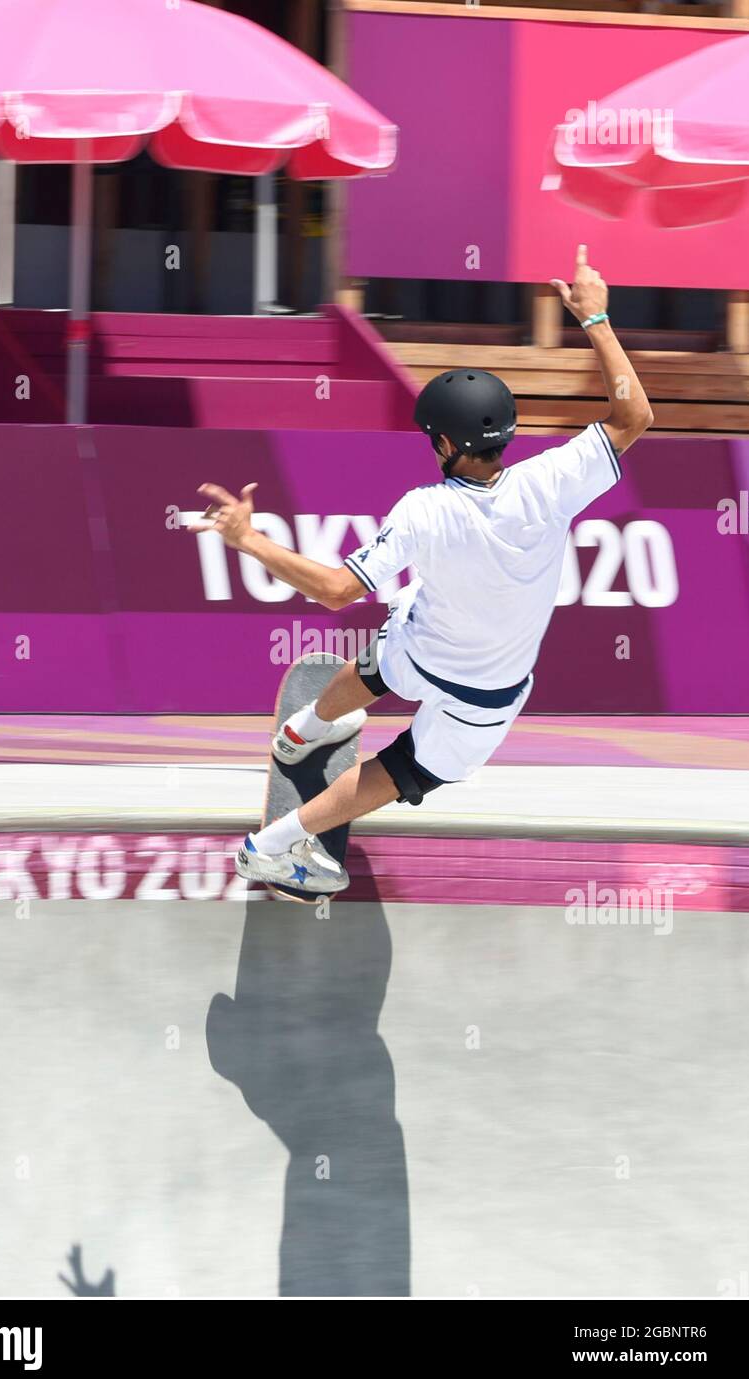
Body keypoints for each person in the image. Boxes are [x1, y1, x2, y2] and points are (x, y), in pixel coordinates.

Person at [187, 246, 653, 896]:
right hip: (485, 694)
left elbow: (334, 591)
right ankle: (269, 848)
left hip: (423, 651)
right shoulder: (553, 480)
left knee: (386, 656)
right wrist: (597, 318)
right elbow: (634, 416)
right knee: (403, 770)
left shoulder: (423, 511)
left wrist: (249, 539)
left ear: (444, 444)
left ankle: (304, 732)